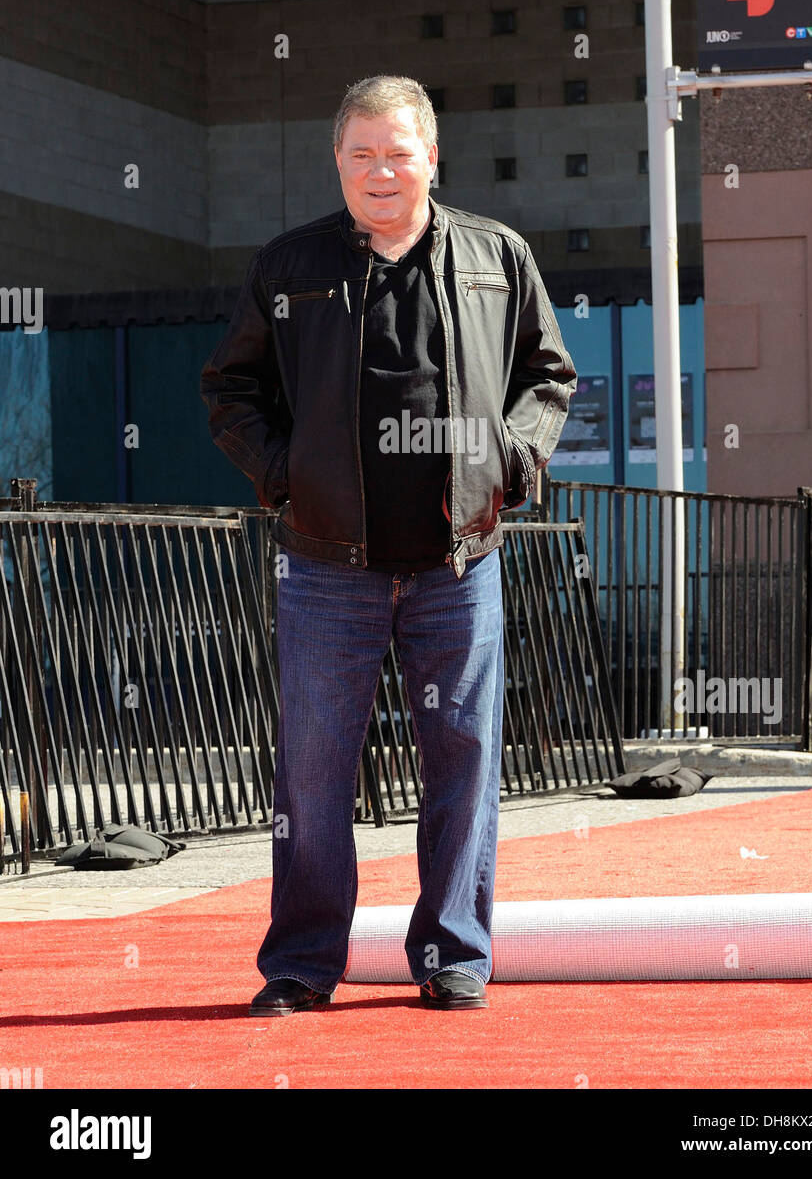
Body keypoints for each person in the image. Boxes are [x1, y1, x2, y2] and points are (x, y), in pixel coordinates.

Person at [200, 74, 577, 1013]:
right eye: (361, 153)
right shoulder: (290, 268)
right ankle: (301, 964)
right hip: (328, 569)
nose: (380, 170)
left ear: (431, 158)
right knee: (315, 775)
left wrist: (515, 465)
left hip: (460, 564)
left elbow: (549, 374)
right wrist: (289, 475)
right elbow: (229, 388)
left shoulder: (497, 258)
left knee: (464, 764)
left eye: (398, 152)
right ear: (337, 160)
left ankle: (454, 956)